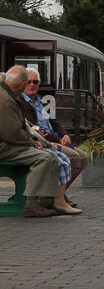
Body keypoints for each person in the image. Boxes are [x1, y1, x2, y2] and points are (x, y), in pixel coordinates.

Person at [0, 66, 66, 217]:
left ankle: (45, 201)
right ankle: (31, 204)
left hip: (7, 144)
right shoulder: (5, 100)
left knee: (50, 156)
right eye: (28, 83)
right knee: (44, 157)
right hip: (4, 147)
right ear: (22, 84)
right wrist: (31, 142)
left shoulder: (6, 94)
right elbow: (12, 133)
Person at [21, 68, 88, 200]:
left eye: (35, 82)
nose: (32, 85)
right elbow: (36, 129)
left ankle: (58, 195)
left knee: (84, 157)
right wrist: (58, 139)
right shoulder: (22, 103)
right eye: (28, 81)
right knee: (74, 157)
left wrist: (65, 135)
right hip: (42, 142)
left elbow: (54, 122)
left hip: (53, 139)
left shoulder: (40, 100)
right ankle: (54, 197)